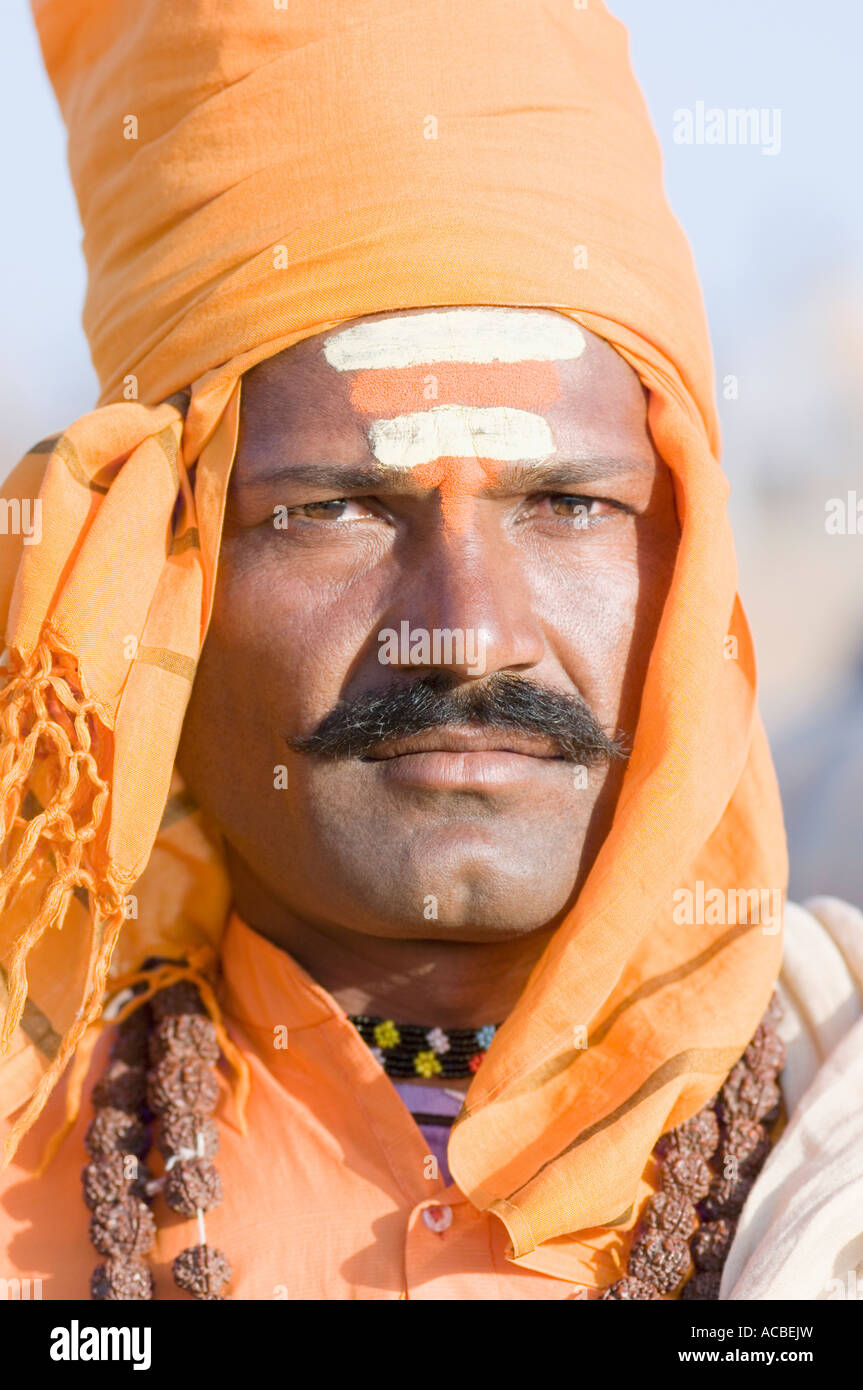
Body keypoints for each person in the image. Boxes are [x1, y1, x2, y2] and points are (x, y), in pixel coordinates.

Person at [0, 0, 860, 1301]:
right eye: (337, 508)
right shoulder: (34, 1162)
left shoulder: (830, 1122)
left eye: (569, 502)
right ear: (162, 570)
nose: (467, 631)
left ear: (686, 555)